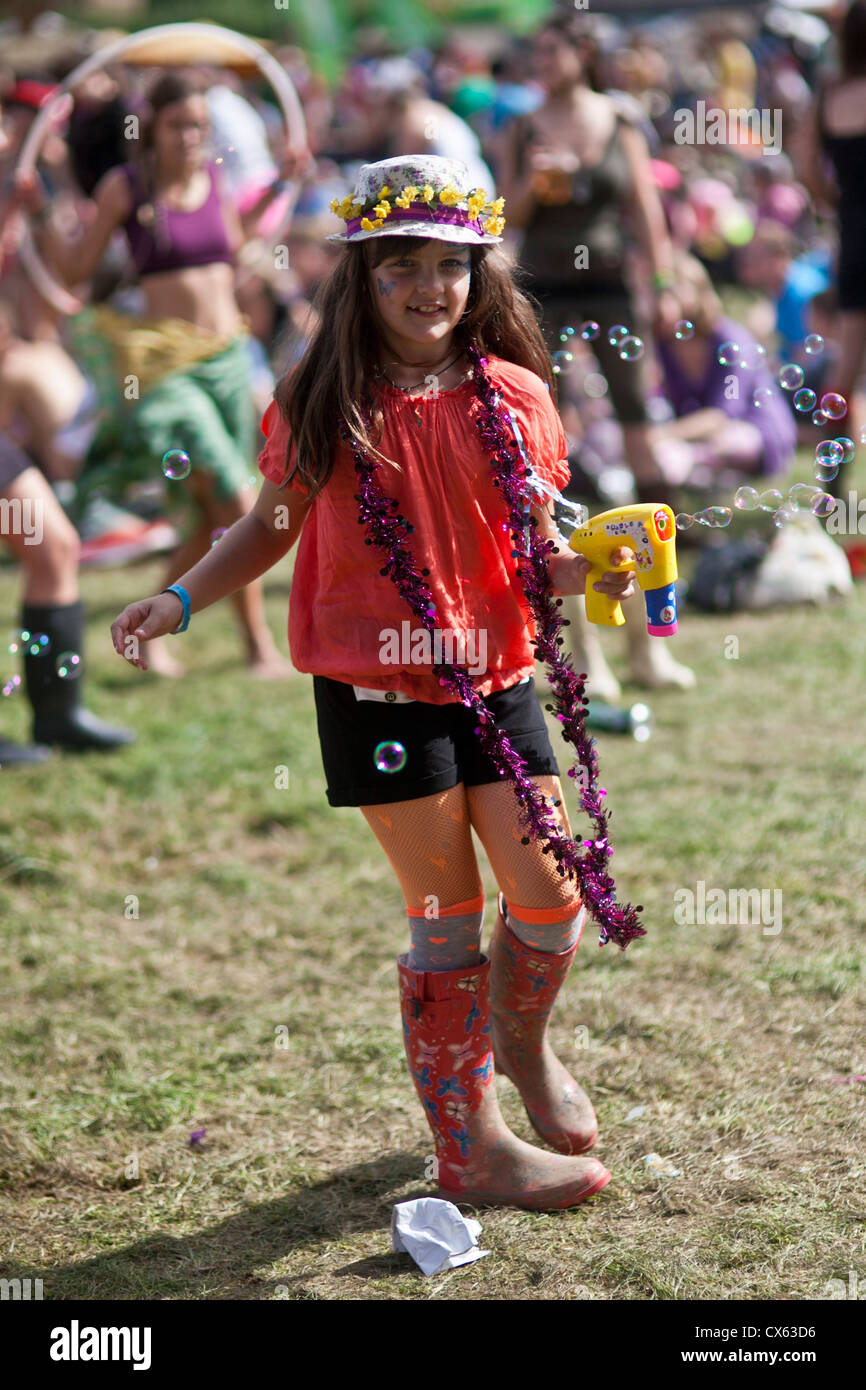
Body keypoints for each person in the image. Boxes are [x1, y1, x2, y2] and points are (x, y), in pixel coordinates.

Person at [110, 155, 641, 1212]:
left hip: (495, 679)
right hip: (376, 695)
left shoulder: (514, 396)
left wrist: (582, 569)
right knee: (445, 916)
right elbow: (268, 526)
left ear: (477, 275)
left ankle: (517, 1050)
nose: (427, 287)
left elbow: (535, 548)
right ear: (361, 275)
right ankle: (470, 1147)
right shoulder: (323, 397)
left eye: (449, 265)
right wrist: (177, 600)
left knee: (547, 894)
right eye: (400, 264)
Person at [15, 70, 310, 678]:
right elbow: (73, 269)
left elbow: (238, 245)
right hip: (165, 368)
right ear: (151, 130)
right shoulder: (128, 188)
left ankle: (152, 618)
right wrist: (41, 211)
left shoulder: (215, 181)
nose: (192, 136)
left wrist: (284, 179)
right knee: (235, 499)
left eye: (200, 125)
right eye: (179, 125)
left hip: (227, 359)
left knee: (211, 517)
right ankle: (258, 648)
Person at [797, 0, 866, 495]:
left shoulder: (831, 94)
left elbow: (804, 165)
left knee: (847, 364)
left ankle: (832, 490)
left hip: (855, 237)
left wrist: (839, 203)